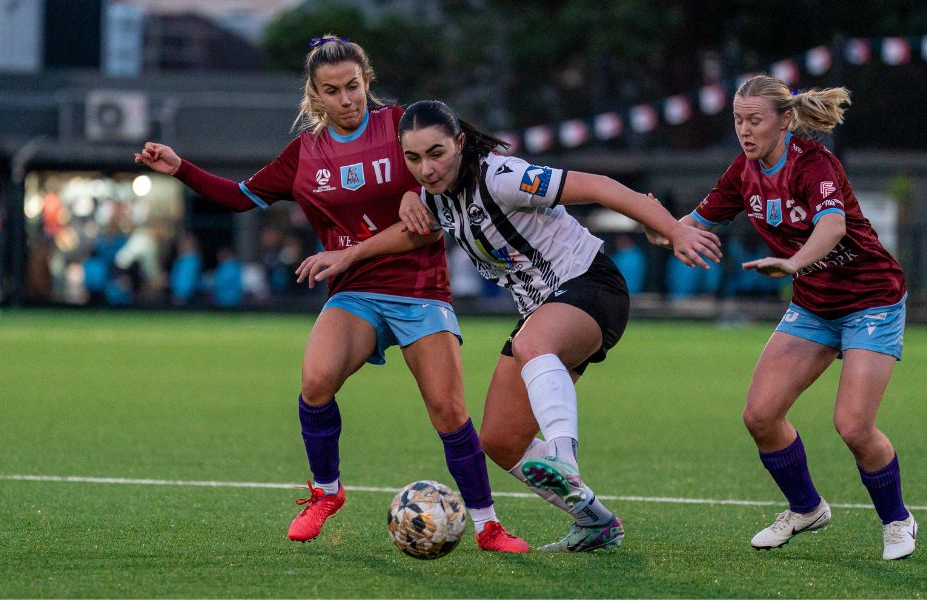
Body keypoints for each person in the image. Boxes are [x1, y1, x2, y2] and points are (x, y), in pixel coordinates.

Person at [134, 36, 528, 553]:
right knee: (316, 380)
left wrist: (419, 187)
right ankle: (326, 491)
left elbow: (447, 170)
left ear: (368, 82)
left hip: (418, 288)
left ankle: (487, 525)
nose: (347, 99)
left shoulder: (401, 126)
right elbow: (238, 196)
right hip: (355, 291)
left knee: (448, 410)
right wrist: (181, 168)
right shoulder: (305, 154)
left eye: (354, 86)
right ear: (315, 96)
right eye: (332, 91)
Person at [299, 99, 722, 552]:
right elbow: (415, 231)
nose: (426, 168)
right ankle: (596, 522)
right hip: (540, 309)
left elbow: (598, 186)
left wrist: (673, 230)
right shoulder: (436, 196)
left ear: (460, 143)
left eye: (436, 153)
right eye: (413, 158)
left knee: (533, 343)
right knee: (501, 440)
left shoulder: (502, 176)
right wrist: (350, 255)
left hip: (590, 284)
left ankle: (563, 456)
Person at [657, 74, 915, 560]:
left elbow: (833, 226)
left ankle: (897, 520)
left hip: (871, 300)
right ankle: (806, 508)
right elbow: (690, 224)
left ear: (785, 121)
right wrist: (662, 226)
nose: (745, 131)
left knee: (854, 427)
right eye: (738, 120)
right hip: (815, 306)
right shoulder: (743, 172)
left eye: (755, 120)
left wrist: (794, 263)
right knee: (760, 415)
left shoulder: (814, 164)